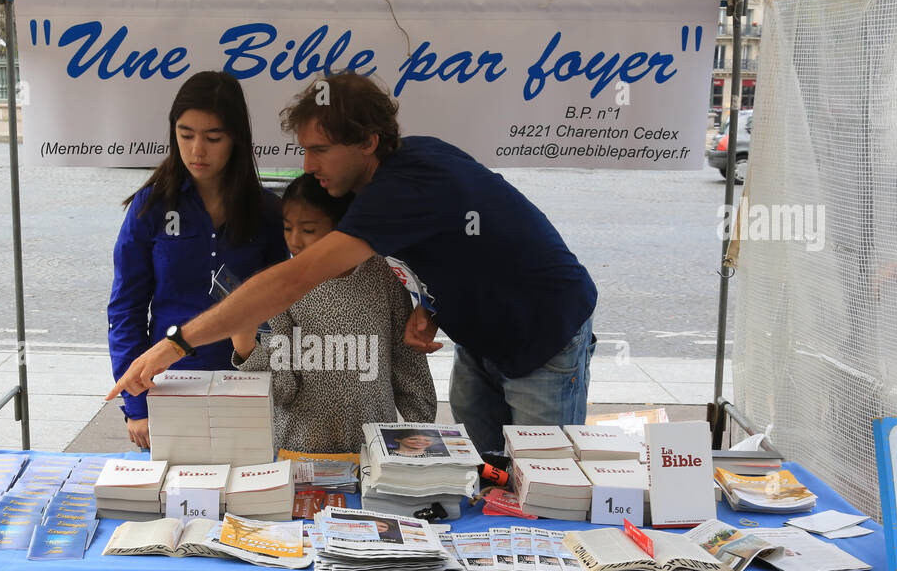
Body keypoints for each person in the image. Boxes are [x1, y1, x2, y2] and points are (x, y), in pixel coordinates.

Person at [109, 72, 599, 456]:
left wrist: (176, 343)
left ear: (367, 142)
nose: (306, 167)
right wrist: (431, 304)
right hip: (482, 341)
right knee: (486, 472)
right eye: (304, 149)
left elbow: (294, 280)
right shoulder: (398, 170)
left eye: (319, 150)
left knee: (543, 482)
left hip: (545, 338)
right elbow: (463, 244)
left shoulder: (400, 188)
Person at [109, 71, 288, 450]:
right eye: (185, 134)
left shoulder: (267, 210)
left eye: (212, 138)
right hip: (168, 388)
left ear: (236, 138)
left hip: (248, 389)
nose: (196, 151)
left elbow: (281, 310)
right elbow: (125, 309)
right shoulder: (151, 207)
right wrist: (136, 404)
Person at [230, 173, 436, 453]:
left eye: (309, 229)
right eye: (288, 228)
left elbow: (407, 363)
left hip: (372, 448)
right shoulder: (283, 285)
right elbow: (284, 389)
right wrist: (246, 348)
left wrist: (422, 434)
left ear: (343, 227)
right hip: (302, 450)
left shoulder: (384, 275)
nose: (294, 240)